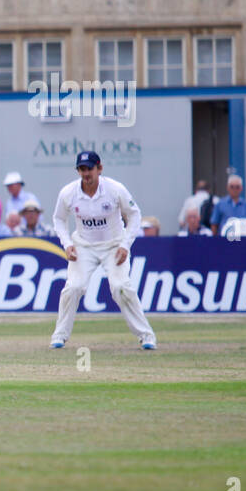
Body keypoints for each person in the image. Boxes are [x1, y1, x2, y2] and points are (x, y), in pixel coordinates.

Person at [50, 150, 157, 351]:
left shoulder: (115, 189)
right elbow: (58, 219)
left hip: (114, 246)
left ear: (99, 168)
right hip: (83, 246)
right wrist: (67, 244)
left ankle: (146, 335)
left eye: (89, 169)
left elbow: (134, 216)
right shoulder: (68, 193)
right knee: (73, 287)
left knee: (121, 288)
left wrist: (125, 245)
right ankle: (59, 335)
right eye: (81, 169)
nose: (86, 174)